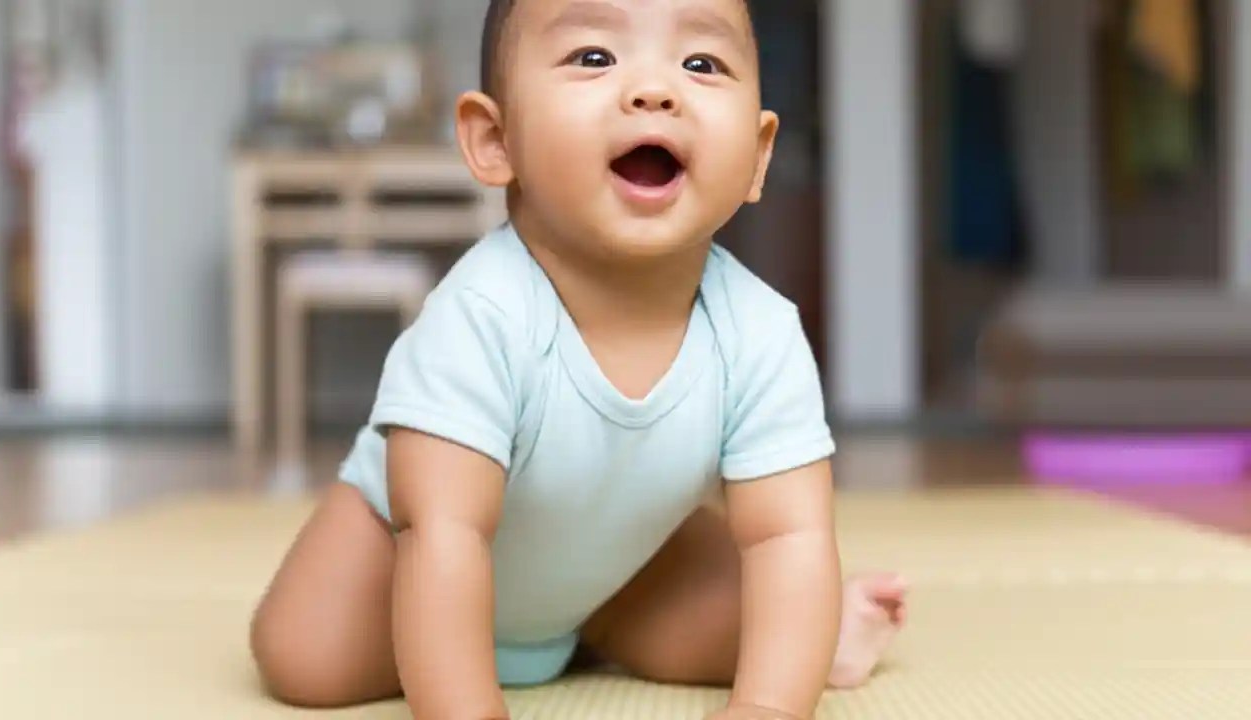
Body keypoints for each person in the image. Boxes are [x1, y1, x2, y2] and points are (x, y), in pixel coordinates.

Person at [251, 1, 907, 717]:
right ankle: (555, 629)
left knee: (782, 619)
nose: (654, 91)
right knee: (303, 657)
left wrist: (770, 707)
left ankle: (813, 634)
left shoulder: (761, 332)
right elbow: (444, 533)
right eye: (594, 57)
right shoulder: (482, 316)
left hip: (622, 563)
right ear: (495, 141)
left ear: (756, 155)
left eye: (701, 64)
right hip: (408, 550)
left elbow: (790, 534)